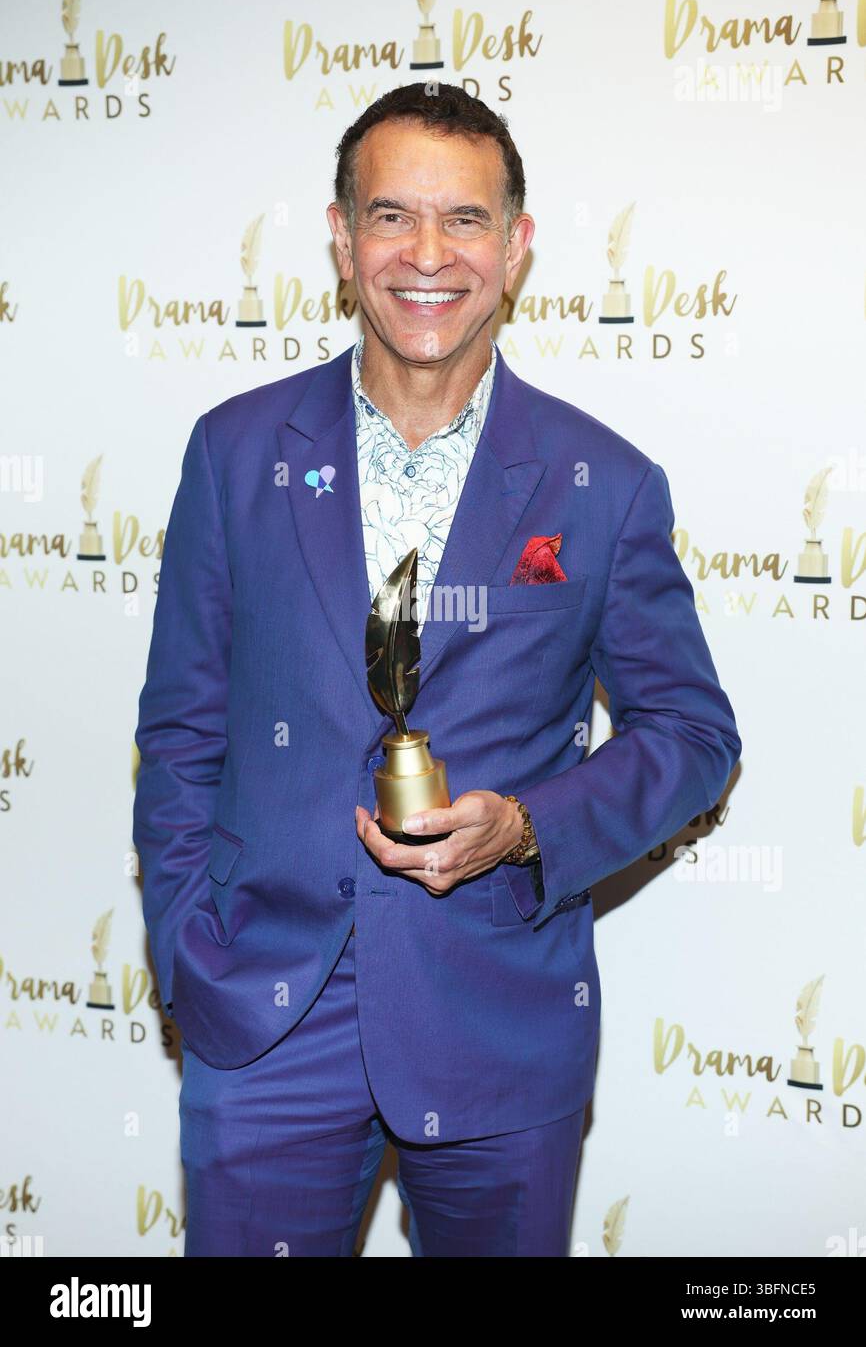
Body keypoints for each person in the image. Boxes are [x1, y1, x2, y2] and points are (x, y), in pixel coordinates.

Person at [132, 82, 741, 1257]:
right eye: (390, 215)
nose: (425, 254)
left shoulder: (603, 483)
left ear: (514, 248)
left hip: (498, 1020)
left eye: (463, 219)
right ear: (340, 237)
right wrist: (186, 948)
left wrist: (526, 826)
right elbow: (181, 731)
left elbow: (691, 734)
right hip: (263, 1016)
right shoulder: (234, 452)